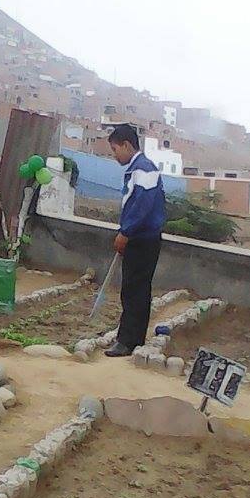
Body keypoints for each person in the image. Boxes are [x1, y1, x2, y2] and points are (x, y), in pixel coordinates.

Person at [104, 124, 166, 357]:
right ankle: (132, 337)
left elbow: (142, 205)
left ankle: (128, 341)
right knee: (135, 289)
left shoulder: (144, 169)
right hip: (140, 236)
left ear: (127, 145)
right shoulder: (138, 169)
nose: (114, 155)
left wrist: (126, 232)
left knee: (134, 290)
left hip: (142, 238)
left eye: (115, 149)